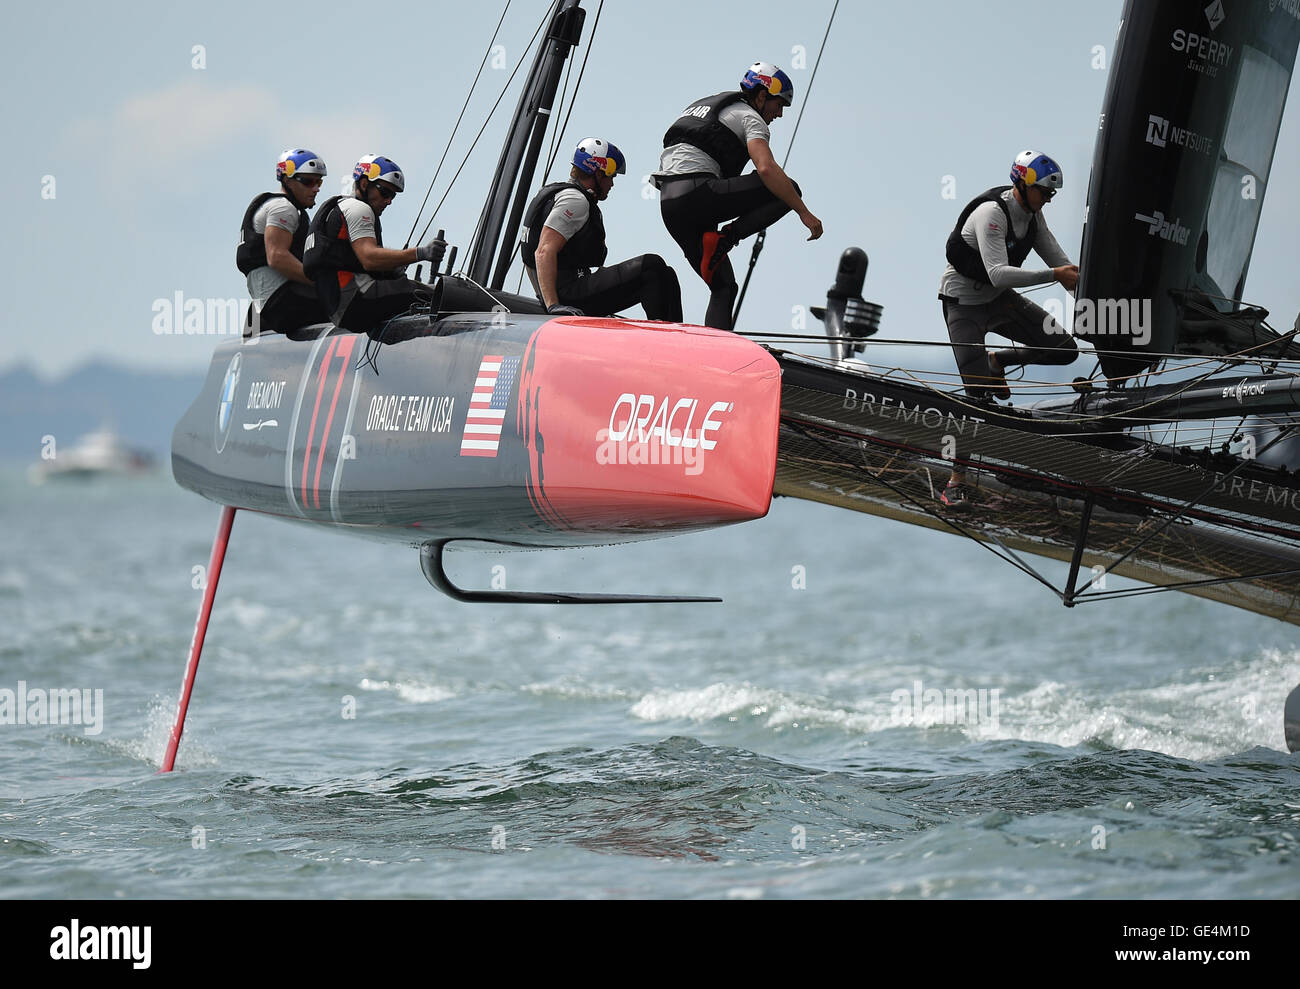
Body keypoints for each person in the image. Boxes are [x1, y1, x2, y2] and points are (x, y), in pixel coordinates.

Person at [938, 150, 1080, 508]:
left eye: (1052, 195)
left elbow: (1061, 263)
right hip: (964, 305)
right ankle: (955, 483)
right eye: (1044, 192)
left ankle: (998, 360)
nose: (1048, 199)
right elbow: (998, 273)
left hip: (1000, 301)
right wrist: (1053, 276)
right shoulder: (991, 215)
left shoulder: (1033, 216)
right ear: (1023, 184)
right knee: (978, 401)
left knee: (1064, 349)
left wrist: (1090, 292)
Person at [654, 62, 823, 330]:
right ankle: (725, 239)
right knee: (788, 189)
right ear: (761, 95)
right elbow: (767, 169)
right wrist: (804, 212)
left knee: (723, 286)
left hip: (670, 206)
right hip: (697, 194)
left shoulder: (713, 106)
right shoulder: (750, 117)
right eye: (778, 104)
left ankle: (714, 350)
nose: (779, 114)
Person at [520, 139, 682, 322]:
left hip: (569, 290)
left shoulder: (561, 194)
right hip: (570, 295)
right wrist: (553, 306)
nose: (612, 183)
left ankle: (673, 331)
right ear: (597, 173)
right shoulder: (575, 201)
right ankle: (666, 339)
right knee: (651, 266)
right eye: (611, 176)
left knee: (665, 274)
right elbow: (543, 251)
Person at [302, 154, 446, 332]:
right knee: (445, 297)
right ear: (364, 184)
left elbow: (350, 259)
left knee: (422, 293)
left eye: (392, 195)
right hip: (358, 298)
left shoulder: (337, 208)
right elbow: (369, 257)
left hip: (340, 306)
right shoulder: (358, 208)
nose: (389, 201)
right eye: (384, 192)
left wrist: (391, 268)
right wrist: (422, 253)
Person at [236, 149, 331, 336]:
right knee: (349, 302)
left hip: (261, 308)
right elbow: (277, 257)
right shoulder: (284, 208)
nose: (316, 188)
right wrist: (323, 282)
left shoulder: (279, 206)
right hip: (282, 304)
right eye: (308, 181)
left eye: (319, 181)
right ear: (287, 180)